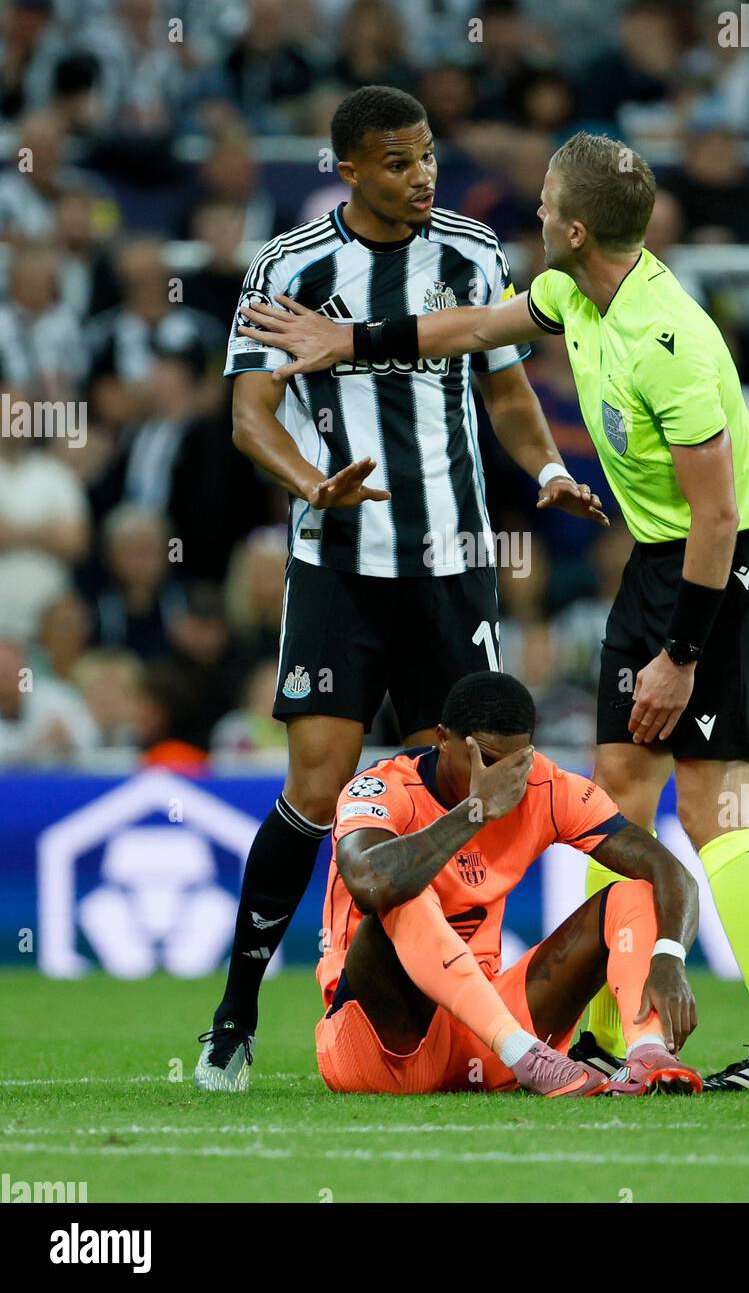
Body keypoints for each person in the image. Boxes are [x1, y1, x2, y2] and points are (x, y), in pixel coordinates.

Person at [241, 130, 749, 1093]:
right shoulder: (573, 293)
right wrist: (341, 340)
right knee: (616, 800)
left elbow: (720, 515)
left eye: (546, 205)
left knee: (714, 808)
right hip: (654, 564)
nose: (534, 216)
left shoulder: (667, 339)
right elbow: (471, 330)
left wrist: (681, 653)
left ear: (576, 225)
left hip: (727, 572)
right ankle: (607, 1031)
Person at [194, 86, 606, 1091]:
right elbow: (250, 412)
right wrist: (308, 484)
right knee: (319, 783)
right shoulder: (291, 267)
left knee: (456, 791)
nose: (419, 176)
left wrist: (546, 469)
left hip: (452, 566)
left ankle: (440, 1012)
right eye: (394, 162)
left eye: (424, 156)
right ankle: (235, 1014)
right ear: (346, 168)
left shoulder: (470, 249)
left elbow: (505, 390)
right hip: (337, 562)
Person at [313, 671, 701, 1098]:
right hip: (382, 1044)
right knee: (406, 890)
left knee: (635, 891)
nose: (499, 779)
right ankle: (525, 1055)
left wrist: (670, 955)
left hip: (484, 1035)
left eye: (513, 764)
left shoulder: (544, 787)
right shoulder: (385, 787)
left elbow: (669, 870)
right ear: (443, 739)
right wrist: (475, 812)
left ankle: (648, 1052)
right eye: (484, 760)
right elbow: (369, 883)